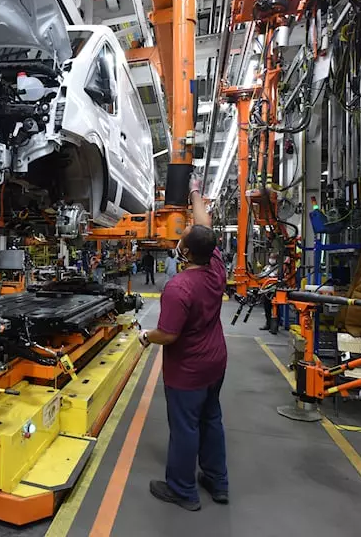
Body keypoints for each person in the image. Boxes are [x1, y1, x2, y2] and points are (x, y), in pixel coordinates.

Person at [138, 177, 229, 511]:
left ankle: (182, 490)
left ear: (186, 252)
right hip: (215, 362)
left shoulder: (179, 288)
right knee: (211, 418)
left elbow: (168, 334)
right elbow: (204, 225)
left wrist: (145, 336)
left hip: (188, 370)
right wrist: (193, 191)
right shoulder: (215, 266)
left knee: (184, 427)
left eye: (182, 239)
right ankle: (218, 482)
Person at [258, 252, 280, 334]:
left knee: (275, 310)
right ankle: (268, 324)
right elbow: (262, 275)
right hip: (266, 291)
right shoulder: (266, 267)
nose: (271, 259)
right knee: (267, 309)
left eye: (273, 258)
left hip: (274, 291)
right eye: (270, 257)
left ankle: (275, 326)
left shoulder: (279, 268)